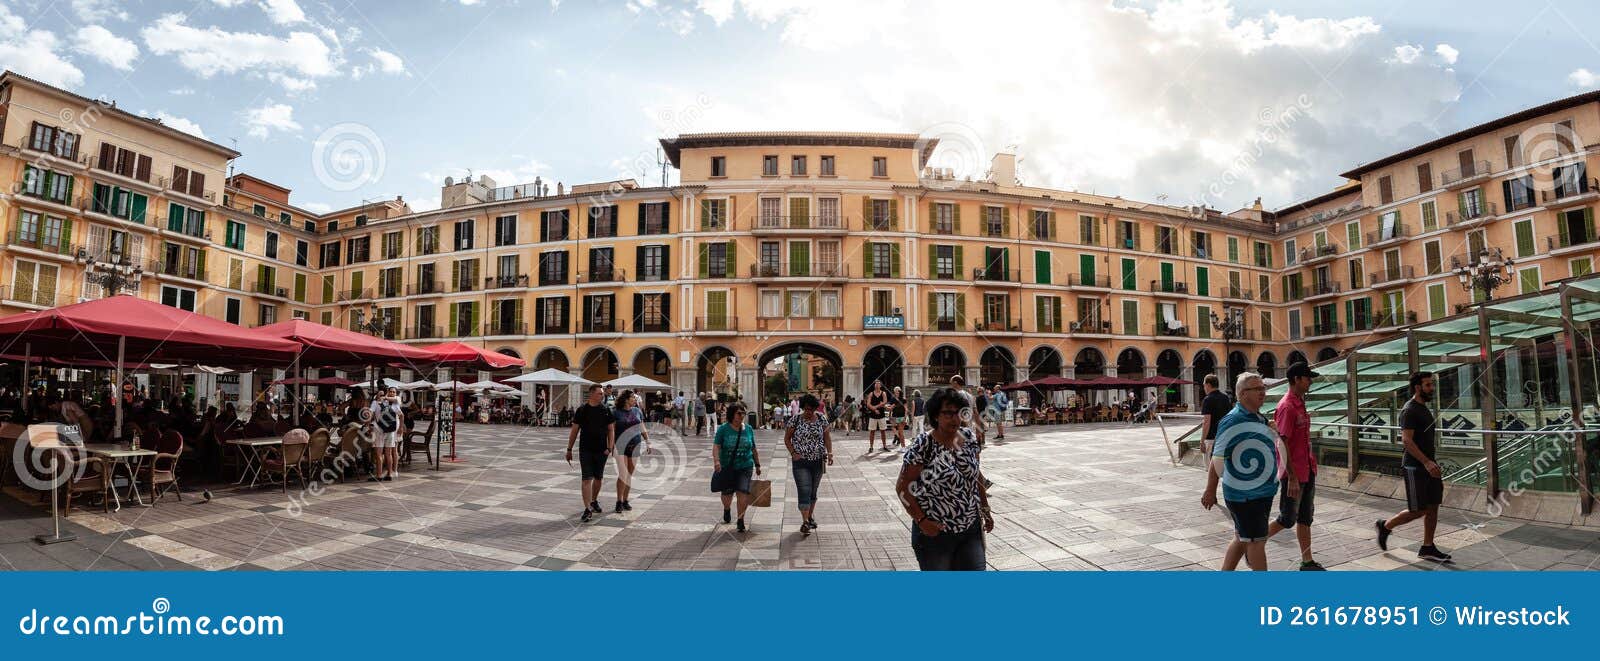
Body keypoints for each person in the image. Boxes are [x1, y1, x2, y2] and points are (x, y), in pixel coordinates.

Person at [895, 387, 993, 570]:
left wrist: (985, 509)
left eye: (959, 413)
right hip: (935, 534)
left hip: (970, 528)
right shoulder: (924, 445)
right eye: (948, 413)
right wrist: (922, 521)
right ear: (935, 415)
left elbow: (976, 475)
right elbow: (902, 489)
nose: (955, 419)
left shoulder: (969, 438)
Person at [1201, 372, 1278, 571]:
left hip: (1260, 491)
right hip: (1246, 494)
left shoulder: (1257, 416)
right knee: (1256, 542)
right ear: (1243, 394)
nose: (1263, 392)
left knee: (1242, 538)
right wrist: (1210, 490)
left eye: (1263, 388)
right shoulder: (1232, 420)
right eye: (1258, 389)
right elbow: (1217, 458)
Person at [1376, 371, 1452, 562]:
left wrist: (1431, 463)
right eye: (1428, 385)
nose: (1431, 388)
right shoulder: (1410, 410)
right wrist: (1426, 462)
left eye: (1431, 384)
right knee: (1418, 510)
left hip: (1429, 466)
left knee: (1433, 507)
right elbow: (1407, 441)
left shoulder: (1423, 408)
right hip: (1415, 467)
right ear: (1417, 387)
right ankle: (1385, 526)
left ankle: (1427, 547)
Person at [1264, 363, 1322, 570]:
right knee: (1287, 519)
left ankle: (1307, 561)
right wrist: (1292, 477)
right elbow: (1282, 442)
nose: (1310, 381)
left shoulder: (1299, 402)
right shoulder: (1287, 406)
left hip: (1307, 468)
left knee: (1305, 518)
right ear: (1296, 379)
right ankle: (1251, 545)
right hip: (1294, 473)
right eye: (1307, 378)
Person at [783, 394, 833, 534]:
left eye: (811, 409)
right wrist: (793, 453)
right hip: (801, 462)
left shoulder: (822, 419)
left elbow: (827, 437)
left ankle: (810, 517)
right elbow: (787, 439)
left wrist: (830, 453)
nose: (808, 412)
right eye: (805, 409)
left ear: (815, 408)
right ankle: (805, 522)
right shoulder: (796, 420)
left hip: (818, 461)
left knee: (813, 491)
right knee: (804, 489)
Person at [566, 385, 615, 523]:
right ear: (592, 394)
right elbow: (574, 430)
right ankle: (587, 509)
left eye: (602, 393)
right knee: (587, 479)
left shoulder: (606, 410)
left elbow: (611, 429)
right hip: (585, 449)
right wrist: (569, 449)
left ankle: (593, 500)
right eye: (600, 393)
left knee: (598, 478)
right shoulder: (582, 410)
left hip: (602, 450)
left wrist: (609, 447)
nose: (602, 395)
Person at [712, 402, 762, 533]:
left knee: (742, 492)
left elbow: (753, 447)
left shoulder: (749, 429)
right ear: (732, 414)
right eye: (739, 413)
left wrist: (757, 464)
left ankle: (740, 520)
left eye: (743, 413)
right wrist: (717, 461)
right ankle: (727, 509)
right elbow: (716, 446)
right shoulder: (723, 429)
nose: (742, 416)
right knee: (727, 493)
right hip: (727, 466)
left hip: (745, 466)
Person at [612, 389, 647, 513]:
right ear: (626, 399)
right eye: (633, 397)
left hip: (635, 444)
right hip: (620, 446)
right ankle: (619, 501)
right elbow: (611, 430)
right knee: (623, 474)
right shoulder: (616, 413)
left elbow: (642, 426)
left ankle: (625, 500)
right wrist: (610, 446)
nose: (635, 399)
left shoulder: (637, 411)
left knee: (629, 475)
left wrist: (648, 441)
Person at [369, 387, 404, 482]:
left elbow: (370, 415)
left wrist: (368, 425)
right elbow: (401, 415)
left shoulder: (375, 403)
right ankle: (389, 474)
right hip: (391, 431)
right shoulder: (393, 403)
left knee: (379, 454)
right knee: (389, 454)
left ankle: (379, 475)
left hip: (379, 430)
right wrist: (400, 427)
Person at [1198, 373, 1231, 457]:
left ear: (1208, 385)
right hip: (1224, 436)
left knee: (1209, 466)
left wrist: (1202, 441)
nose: (1204, 387)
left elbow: (1206, 422)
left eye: (1204, 385)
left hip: (1211, 438)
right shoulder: (1225, 398)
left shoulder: (1207, 400)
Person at [864, 380, 891, 452]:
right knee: (872, 431)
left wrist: (877, 406)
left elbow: (885, 401)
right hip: (873, 414)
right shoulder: (871, 394)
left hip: (881, 414)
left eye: (878, 384)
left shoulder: (883, 393)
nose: (877, 385)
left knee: (883, 431)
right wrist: (875, 409)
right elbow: (868, 404)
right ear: (874, 385)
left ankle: (884, 445)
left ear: (881, 386)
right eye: (876, 384)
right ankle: (871, 446)